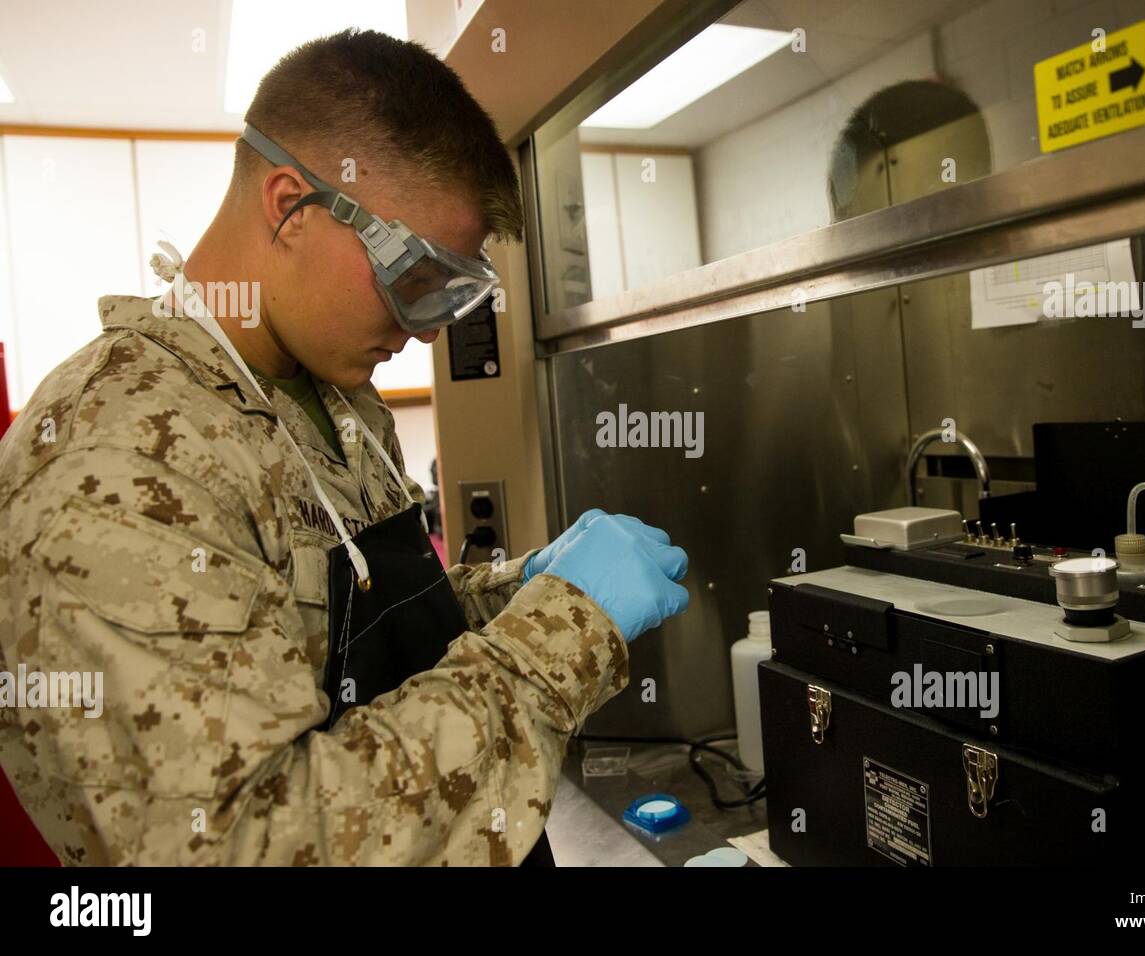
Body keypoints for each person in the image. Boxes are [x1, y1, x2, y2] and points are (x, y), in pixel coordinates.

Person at [0, 29, 688, 866]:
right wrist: (562, 636)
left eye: (447, 299)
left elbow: (348, 637)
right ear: (289, 203)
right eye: (411, 280)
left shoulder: (336, 398)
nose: (418, 330)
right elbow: (247, 844)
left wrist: (519, 592)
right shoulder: (117, 460)